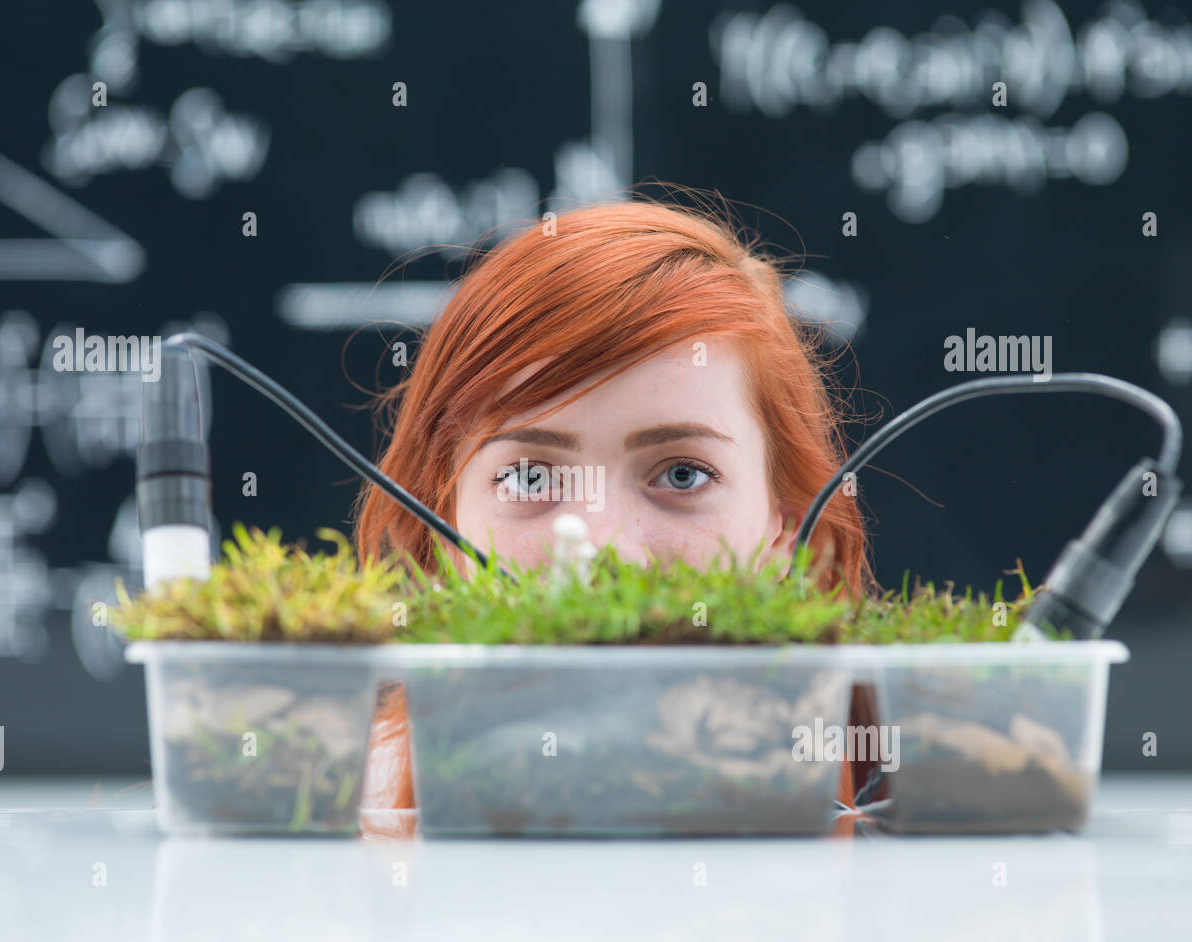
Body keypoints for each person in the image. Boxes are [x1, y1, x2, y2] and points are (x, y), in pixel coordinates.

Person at [353, 194, 878, 834]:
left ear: (786, 533)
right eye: (528, 476)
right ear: (444, 526)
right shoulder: (333, 822)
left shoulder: (894, 835)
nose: (603, 549)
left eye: (682, 475)